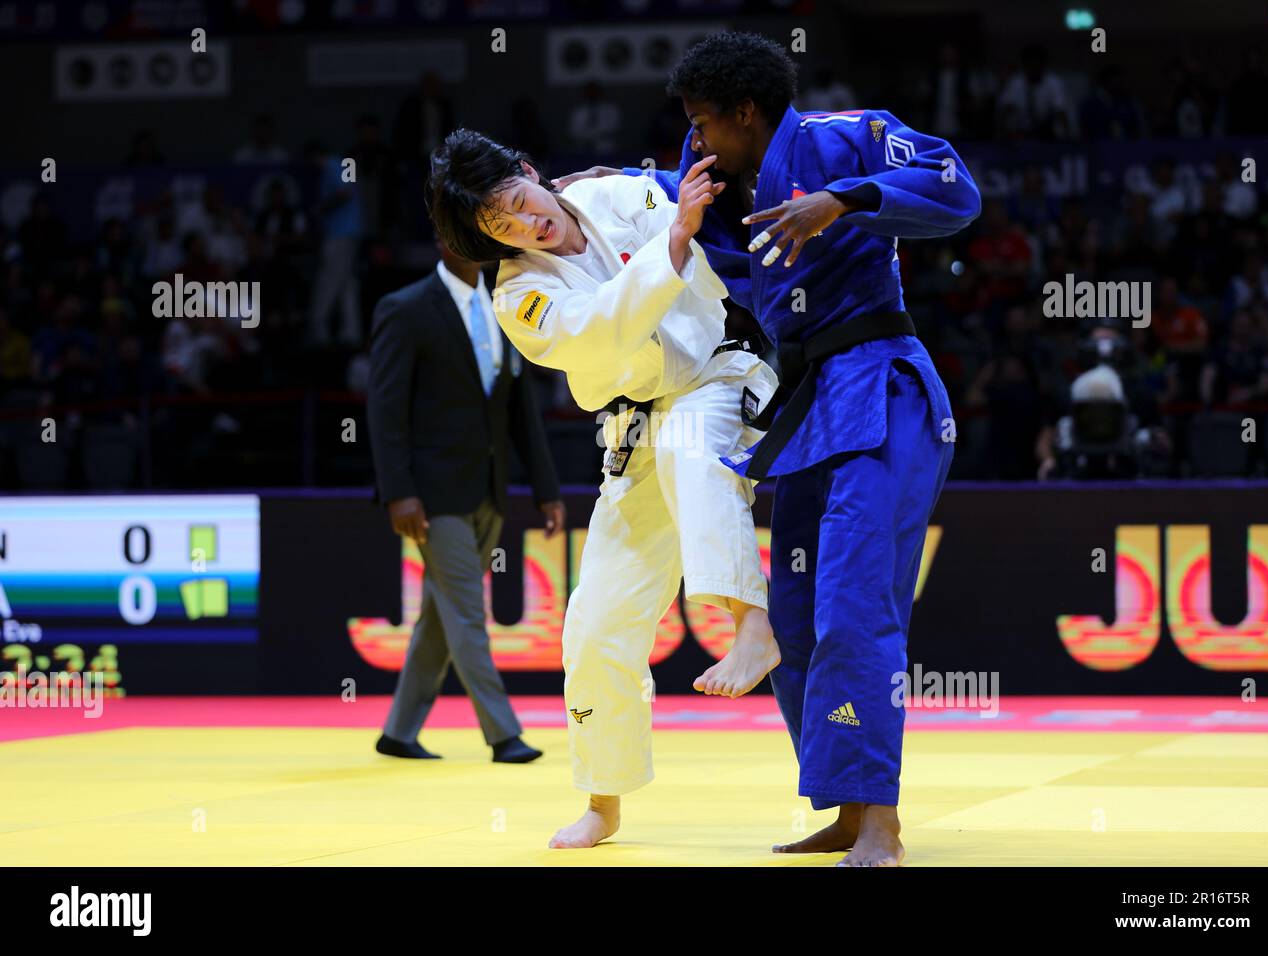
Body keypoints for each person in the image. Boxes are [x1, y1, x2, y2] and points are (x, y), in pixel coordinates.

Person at [560, 31, 980, 865]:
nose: (695, 137)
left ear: (745, 114)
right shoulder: (710, 182)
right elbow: (653, 196)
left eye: (705, 123)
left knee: (856, 605)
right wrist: (587, 186)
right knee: (792, 618)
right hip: (805, 404)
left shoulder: (839, 139)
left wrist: (847, 200)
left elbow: (953, 186)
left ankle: (883, 821)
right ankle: (846, 807)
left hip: (881, 384)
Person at [428, 128, 780, 849]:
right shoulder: (518, 295)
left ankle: (751, 623)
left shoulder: (612, 194)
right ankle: (603, 802)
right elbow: (598, 334)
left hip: (716, 380)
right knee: (592, 629)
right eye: (501, 225)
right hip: (632, 436)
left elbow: (703, 245)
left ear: (531, 173)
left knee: (689, 445)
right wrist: (672, 241)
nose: (527, 222)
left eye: (518, 200)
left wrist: (679, 227)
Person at [367, 233, 563, 764]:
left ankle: (399, 732)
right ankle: (503, 734)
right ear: (439, 241)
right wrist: (398, 492)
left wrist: (546, 491)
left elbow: (522, 410)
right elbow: (385, 412)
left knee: (442, 610)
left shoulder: (505, 306)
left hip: (489, 488)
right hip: (432, 496)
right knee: (466, 609)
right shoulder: (404, 309)